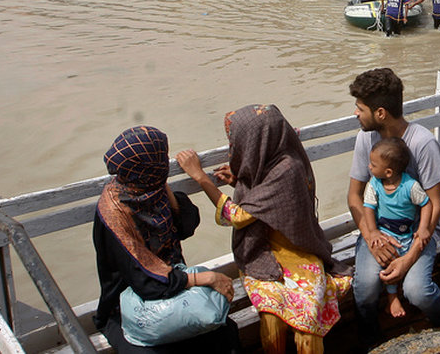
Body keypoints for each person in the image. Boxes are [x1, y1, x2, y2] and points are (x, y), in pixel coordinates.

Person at [177, 105, 350, 354]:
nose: (235, 148)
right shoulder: (271, 159)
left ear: (255, 140)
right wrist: (238, 181)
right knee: (271, 318)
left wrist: (200, 178)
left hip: (298, 253)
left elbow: (237, 216)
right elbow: (268, 201)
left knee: (307, 323)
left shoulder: (287, 169)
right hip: (264, 255)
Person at [93, 126, 239, 354]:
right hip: (128, 306)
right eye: (162, 160)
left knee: (224, 332)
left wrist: (163, 185)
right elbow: (144, 280)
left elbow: (186, 226)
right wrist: (208, 277)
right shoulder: (115, 215)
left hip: (173, 287)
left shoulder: (149, 189)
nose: (166, 163)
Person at [346, 68, 440, 346]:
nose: (356, 114)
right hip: (378, 229)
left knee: (417, 290)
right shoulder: (365, 139)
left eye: (360, 108)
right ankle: (371, 338)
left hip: (419, 233)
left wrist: (409, 256)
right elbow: (355, 197)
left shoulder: (422, 143)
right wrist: (372, 237)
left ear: (380, 113)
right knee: (365, 287)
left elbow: (435, 203)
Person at [361, 137, 433, 318]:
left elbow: (427, 204)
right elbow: (368, 207)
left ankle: (399, 296)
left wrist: (423, 228)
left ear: (388, 172)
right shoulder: (374, 184)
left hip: (406, 235)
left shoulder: (410, 186)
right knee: (387, 260)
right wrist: (373, 232)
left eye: (373, 164)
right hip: (384, 233)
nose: (369, 167)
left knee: (401, 260)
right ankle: (392, 297)